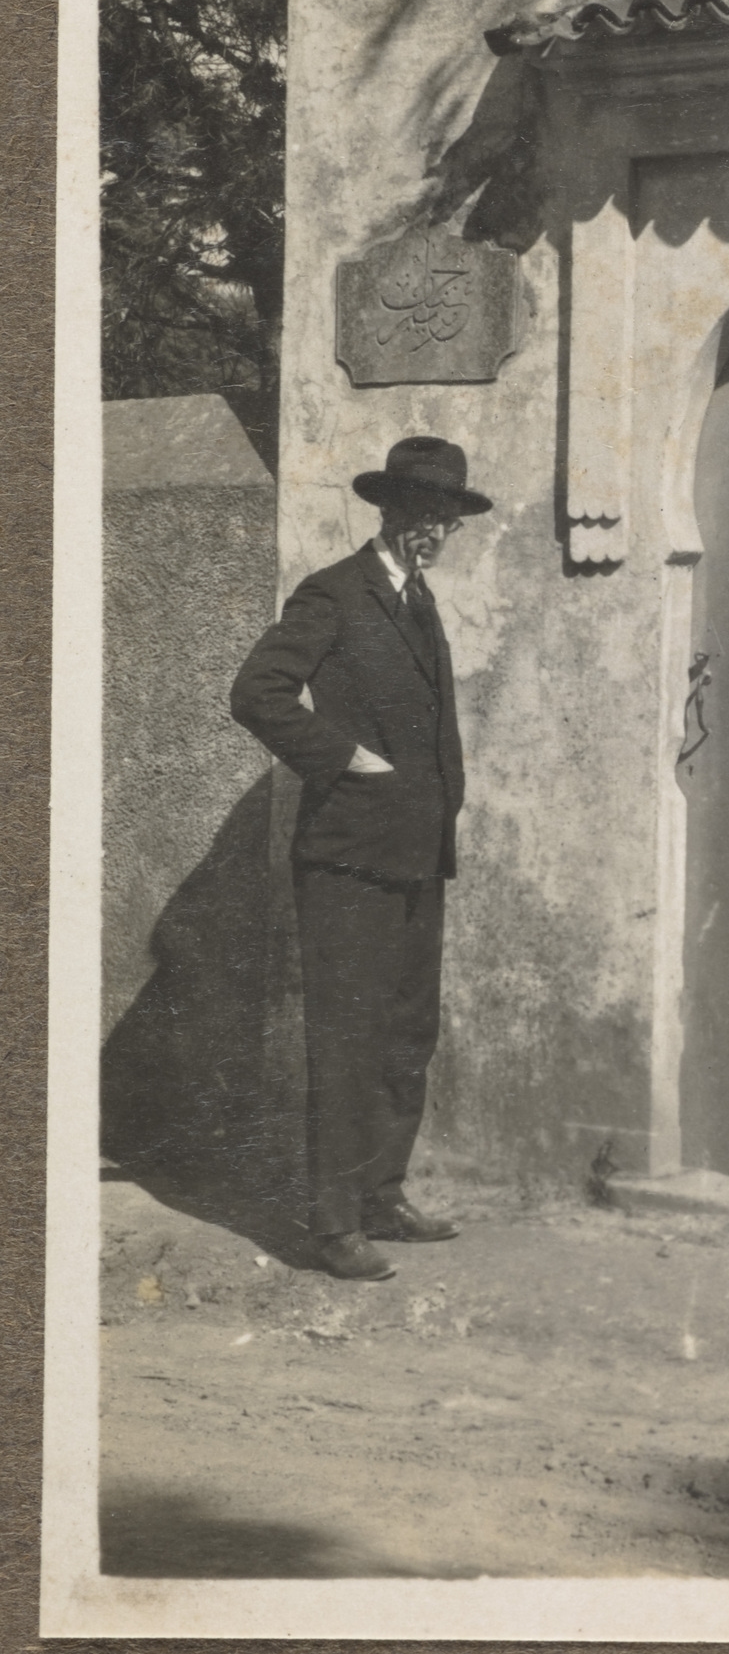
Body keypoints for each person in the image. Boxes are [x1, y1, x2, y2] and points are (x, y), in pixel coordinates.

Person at [231, 436, 492, 1281]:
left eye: (445, 516)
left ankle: (382, 1193)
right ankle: (333, 1221)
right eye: (420, 512)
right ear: (387, 511)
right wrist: (342, 755)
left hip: (418, 856)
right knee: (345, 1039)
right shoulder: (334, 593)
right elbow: (257, 691)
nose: (434, 529)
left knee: (404, 1034)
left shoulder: (419, 600)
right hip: (349, 859)